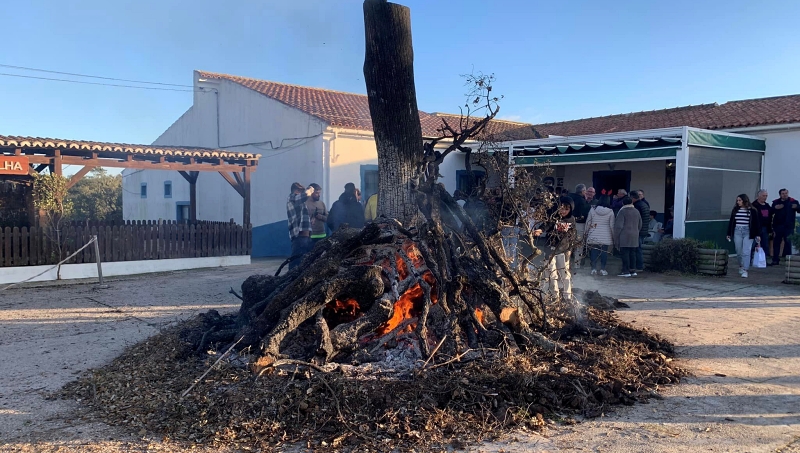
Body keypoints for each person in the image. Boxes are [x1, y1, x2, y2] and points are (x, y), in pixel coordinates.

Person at [542, 196, 577, 300]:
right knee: (551, 274)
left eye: (567, 209)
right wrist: (540, 230)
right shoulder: (553, 217)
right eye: (562, 208)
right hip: (550, 249)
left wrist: (570, 250)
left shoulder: (571, 220)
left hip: (564, 250)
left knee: (565, 275)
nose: (564, 211)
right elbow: (546, 225)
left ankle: (568, 296)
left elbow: (573, 236)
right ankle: (554, 296)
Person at [726, 193, 761, 278]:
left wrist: (758, 235)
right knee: (738, 251)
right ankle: (741, 266)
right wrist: (728, 233)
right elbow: (731, 222)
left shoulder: (752, 210)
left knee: (746, 251)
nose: (738, 202)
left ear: (744, 200)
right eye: (737, 200)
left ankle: (745, 269)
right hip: (737, 231)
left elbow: (756, 223)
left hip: (748, 232)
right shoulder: (735, 210)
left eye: (740, 200)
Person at [287, 182, 315, 269]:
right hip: (299, 236)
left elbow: (302, 217)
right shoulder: (292, 197)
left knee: (304, 261)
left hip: (305, 236)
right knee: (296, 262)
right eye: (300, 190)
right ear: (296, 191)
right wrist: (310, 189)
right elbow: (305, 195)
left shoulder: (301, 202)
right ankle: (290, 279)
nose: (302, 192)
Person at [585, 195, 615, 276]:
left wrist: (586, 232)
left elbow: (588, 222)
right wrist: (613, 236)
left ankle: (593, 269)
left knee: (594, 252)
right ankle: (603, 269)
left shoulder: (592, 210)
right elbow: (612, 225)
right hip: (606, 235)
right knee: (604, 252)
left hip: (594, 233)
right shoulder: (610, 212)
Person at [614, 196, 642, 277]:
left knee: (625, 253)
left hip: (624, 235)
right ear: (631, 202)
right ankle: (633, 270)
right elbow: (640, 224)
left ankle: (625, 271)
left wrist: (616, 236)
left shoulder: (622, 211)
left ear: (623, 203)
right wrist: (636, 231)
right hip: (635, 234)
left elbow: (619, 226)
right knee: (632, 253)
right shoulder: (636, 211)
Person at [770, 188, 798, 265]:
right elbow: (770, 211)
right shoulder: (776, 202)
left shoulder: (793, 201)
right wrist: (775, 208)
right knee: (776, 243)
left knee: (788, 243)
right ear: (780, 195)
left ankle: (788, 260)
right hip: (778, 226)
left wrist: (796, 207)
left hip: (789, 226)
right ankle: (775, 259)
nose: (785, 195)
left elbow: (799, 209)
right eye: (783, 193)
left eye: (786, 193)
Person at [569, 184, 591, 269]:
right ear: (582, 191)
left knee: (568, 244)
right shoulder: (581, 201)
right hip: (579, 224)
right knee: (579, 245)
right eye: (585, 191)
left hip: (568, 223)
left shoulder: (569, 197)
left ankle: (565, 263)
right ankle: (576, 264)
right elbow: (584, 213)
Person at [630, 190, 651, 272]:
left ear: (633, 198)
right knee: (638, 248)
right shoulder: (644, 204)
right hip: (643, 230)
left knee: (637, 249)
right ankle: (639, 266)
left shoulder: (637, 206)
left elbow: (636, 219)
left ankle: (639, 266)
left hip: (638, 230)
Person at [751, 189, 773, 263]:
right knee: (753, 244)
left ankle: (763, 260)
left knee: (765, 244)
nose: (765, 197)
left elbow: (770, 217)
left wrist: (770, 229)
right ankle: (749, 259)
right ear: (759, 196)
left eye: (766, 196)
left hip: (765, 228)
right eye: (763, 196)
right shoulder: (754, 205)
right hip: (756, 228)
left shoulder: (767, 205)